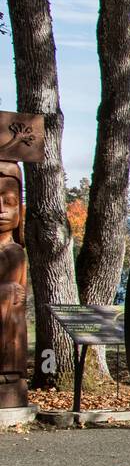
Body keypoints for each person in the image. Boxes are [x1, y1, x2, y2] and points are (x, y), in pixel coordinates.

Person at [0, 161, 28, 409]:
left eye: (9, 203)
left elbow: (17, 293)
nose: (2, 211)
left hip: (8, 327)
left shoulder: (15, 251)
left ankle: (11, 373)